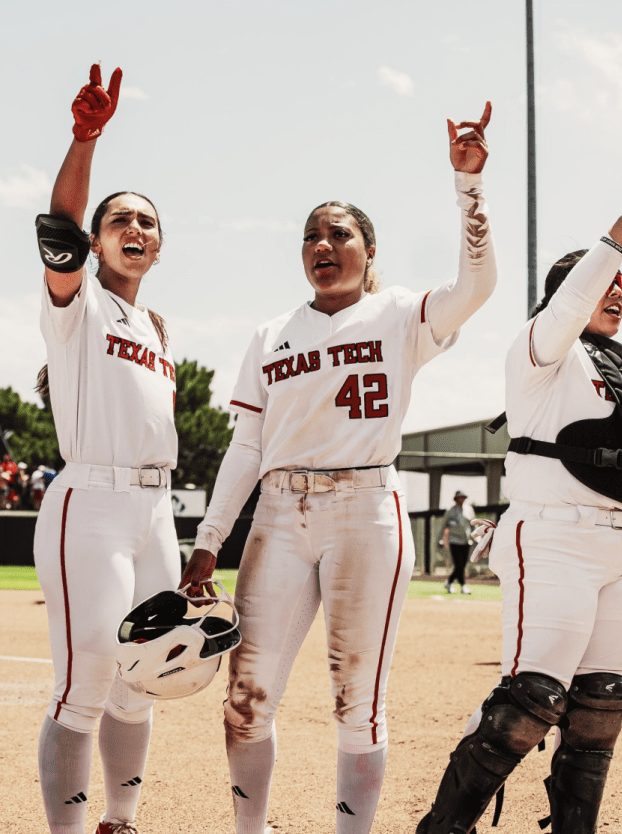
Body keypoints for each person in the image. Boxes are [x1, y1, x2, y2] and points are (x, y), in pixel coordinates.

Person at [182, 102, 497, 834]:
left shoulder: (398, 313)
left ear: (369, 249)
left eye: (340, 233)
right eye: (310, 236)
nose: (323, 245)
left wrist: (468, 188)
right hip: (280, 515)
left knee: (358, 699)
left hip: (365, 509)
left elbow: (476, 288)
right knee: (246, 697)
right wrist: (209, 538)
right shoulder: (270, 335)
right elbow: (246, 447)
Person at [414, 158, 622, 834]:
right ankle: (443, 828)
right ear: (571, 295)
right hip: (555, 542)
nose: (617, 294)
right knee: (530, 703)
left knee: (600, 709)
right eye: (607, 284)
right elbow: (576, 299)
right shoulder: (542, 348)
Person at [26, 63, 181, 834]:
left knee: (142, 676)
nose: (135, 228)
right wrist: (85, 140)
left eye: (148, 222)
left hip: (155, 509)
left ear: (158, 247)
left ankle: (120, 821)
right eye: (120, 218)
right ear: (98, 240)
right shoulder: (76, 303)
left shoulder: (157, 330)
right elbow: (57, 230)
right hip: (89, 501)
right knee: (87, 676)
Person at [441, 490, 476, 593]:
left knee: (463, 565)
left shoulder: (469, 509)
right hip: (455, 541)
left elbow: (473, 524)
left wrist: (477, 538)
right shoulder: (450, 510)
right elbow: (443, 526)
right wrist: (440, 539)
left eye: (463, 497)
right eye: (459, 497)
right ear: (456, 499)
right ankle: (463, 586)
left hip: (466, 541)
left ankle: (449, 582)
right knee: (459, 564)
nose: (461, 499)